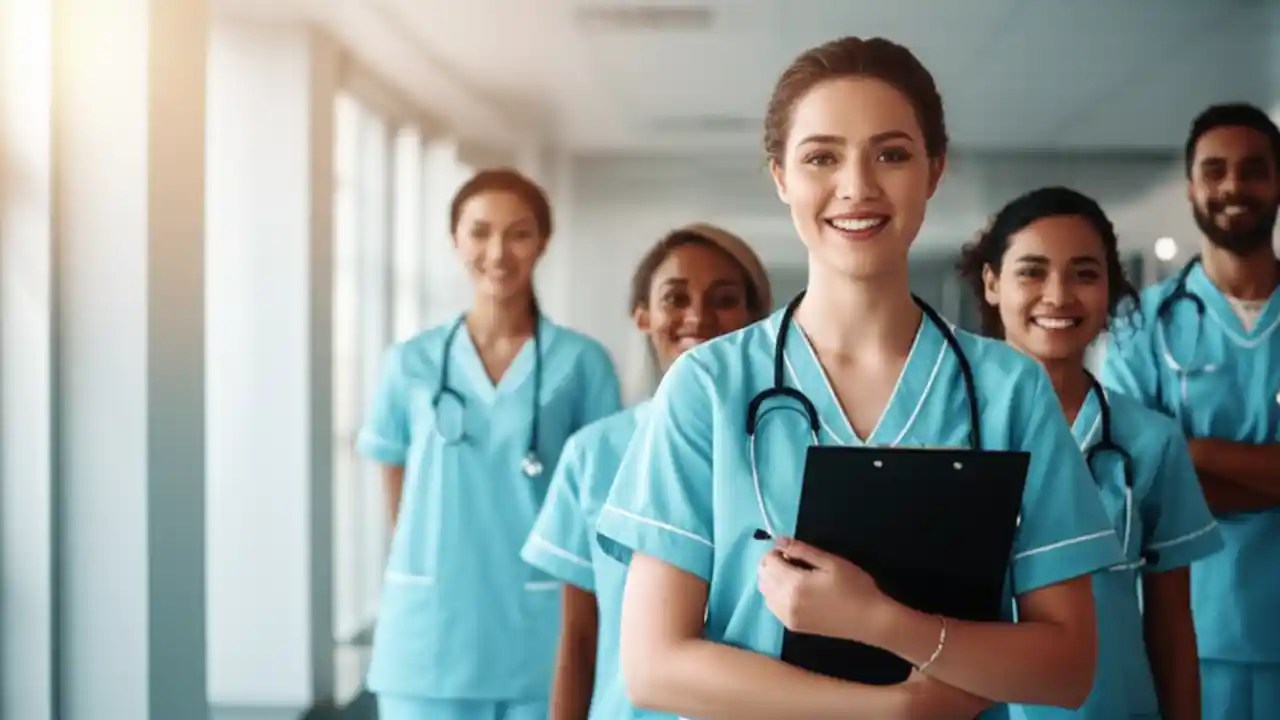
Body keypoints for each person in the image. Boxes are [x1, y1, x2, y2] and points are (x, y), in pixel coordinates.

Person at [595, 36, 1125, 720]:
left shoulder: (1008, 390)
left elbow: (1066, 668)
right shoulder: (708, 386)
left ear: (934, 170)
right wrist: (892, 711)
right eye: (822, 157)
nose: (858, 186)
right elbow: (654, 668)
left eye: (892, 154)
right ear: (781, 176)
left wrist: (880, 622)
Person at [356, 168, 622, 720]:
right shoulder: (410, 363)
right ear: (455, 239)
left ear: (544, 241)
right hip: (429, 629)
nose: (497, 252)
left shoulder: (582, 363)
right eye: (479, 232)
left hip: (539, 630)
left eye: (518, 233)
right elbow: (397, 493)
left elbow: (600, 501)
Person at [959, 186, 1224, 720]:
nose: (1058, 296)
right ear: (991, 283)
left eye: (1084, 274)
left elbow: (1172, 625)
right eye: (1031, 271)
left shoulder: (1149, 440)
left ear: (1110, 289)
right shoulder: (946, 432)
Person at [520, 223, 774, 720]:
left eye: (724, 299)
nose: (698, 317)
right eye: (674, 298)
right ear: (643, 316)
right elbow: (579, 637)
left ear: (754, 318)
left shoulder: (788, 448)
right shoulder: (593, 454)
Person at [1102, 103, 1280, 720]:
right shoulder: (1139, 326)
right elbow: (1136, 485)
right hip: (1193, 633)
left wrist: (1191, 451)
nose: (1233, 186)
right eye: (1215, 170)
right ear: (1191, 187)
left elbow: (1169, 479)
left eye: (1254, 169)